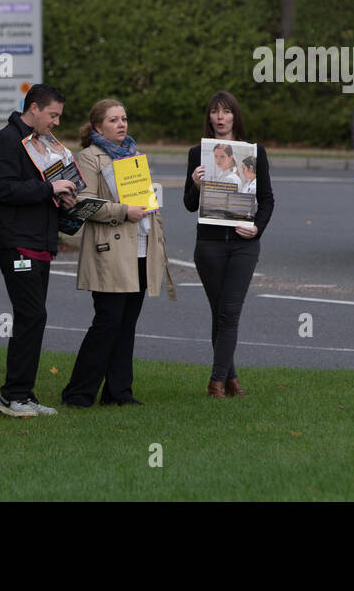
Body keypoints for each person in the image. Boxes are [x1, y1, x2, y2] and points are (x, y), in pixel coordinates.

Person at [61, 98, 174, 407]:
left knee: (126, 326)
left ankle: (118, 393)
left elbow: (146, 201)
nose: (121, 124)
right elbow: (83, 202)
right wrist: (124, 211)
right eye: (113, 120)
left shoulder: (134, 155)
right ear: (98, 127)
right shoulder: (89, 157)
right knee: (107, 323)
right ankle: (78, 393)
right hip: (110, 251)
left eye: (123, 118)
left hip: (139, 248)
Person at [0, 83, 79, 418]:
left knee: (35, 316)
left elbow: (41, 191)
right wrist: (47, 188)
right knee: (32, 315)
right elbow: (3, 189)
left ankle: (23, 394)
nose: (55, 122)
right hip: (16, 242)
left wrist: (63, 196)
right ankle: (12, 396)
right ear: (35, 108)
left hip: (41, 242)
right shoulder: (5, 141)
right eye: (52, 115)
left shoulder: (43, 146)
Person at [184, 91, 274, 398]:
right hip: (208, 245)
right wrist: (196, 185)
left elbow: (267, 200)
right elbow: (188, 204)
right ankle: (231, 380)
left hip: (243, 245)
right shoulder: (198, 153)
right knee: (219, 312)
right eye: (214, 112)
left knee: (230, 312)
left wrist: (257, 228)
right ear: (208, 117)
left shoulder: (252, 152)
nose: (220, 117)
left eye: (226, 111)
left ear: (235, 116)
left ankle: (216, 382)